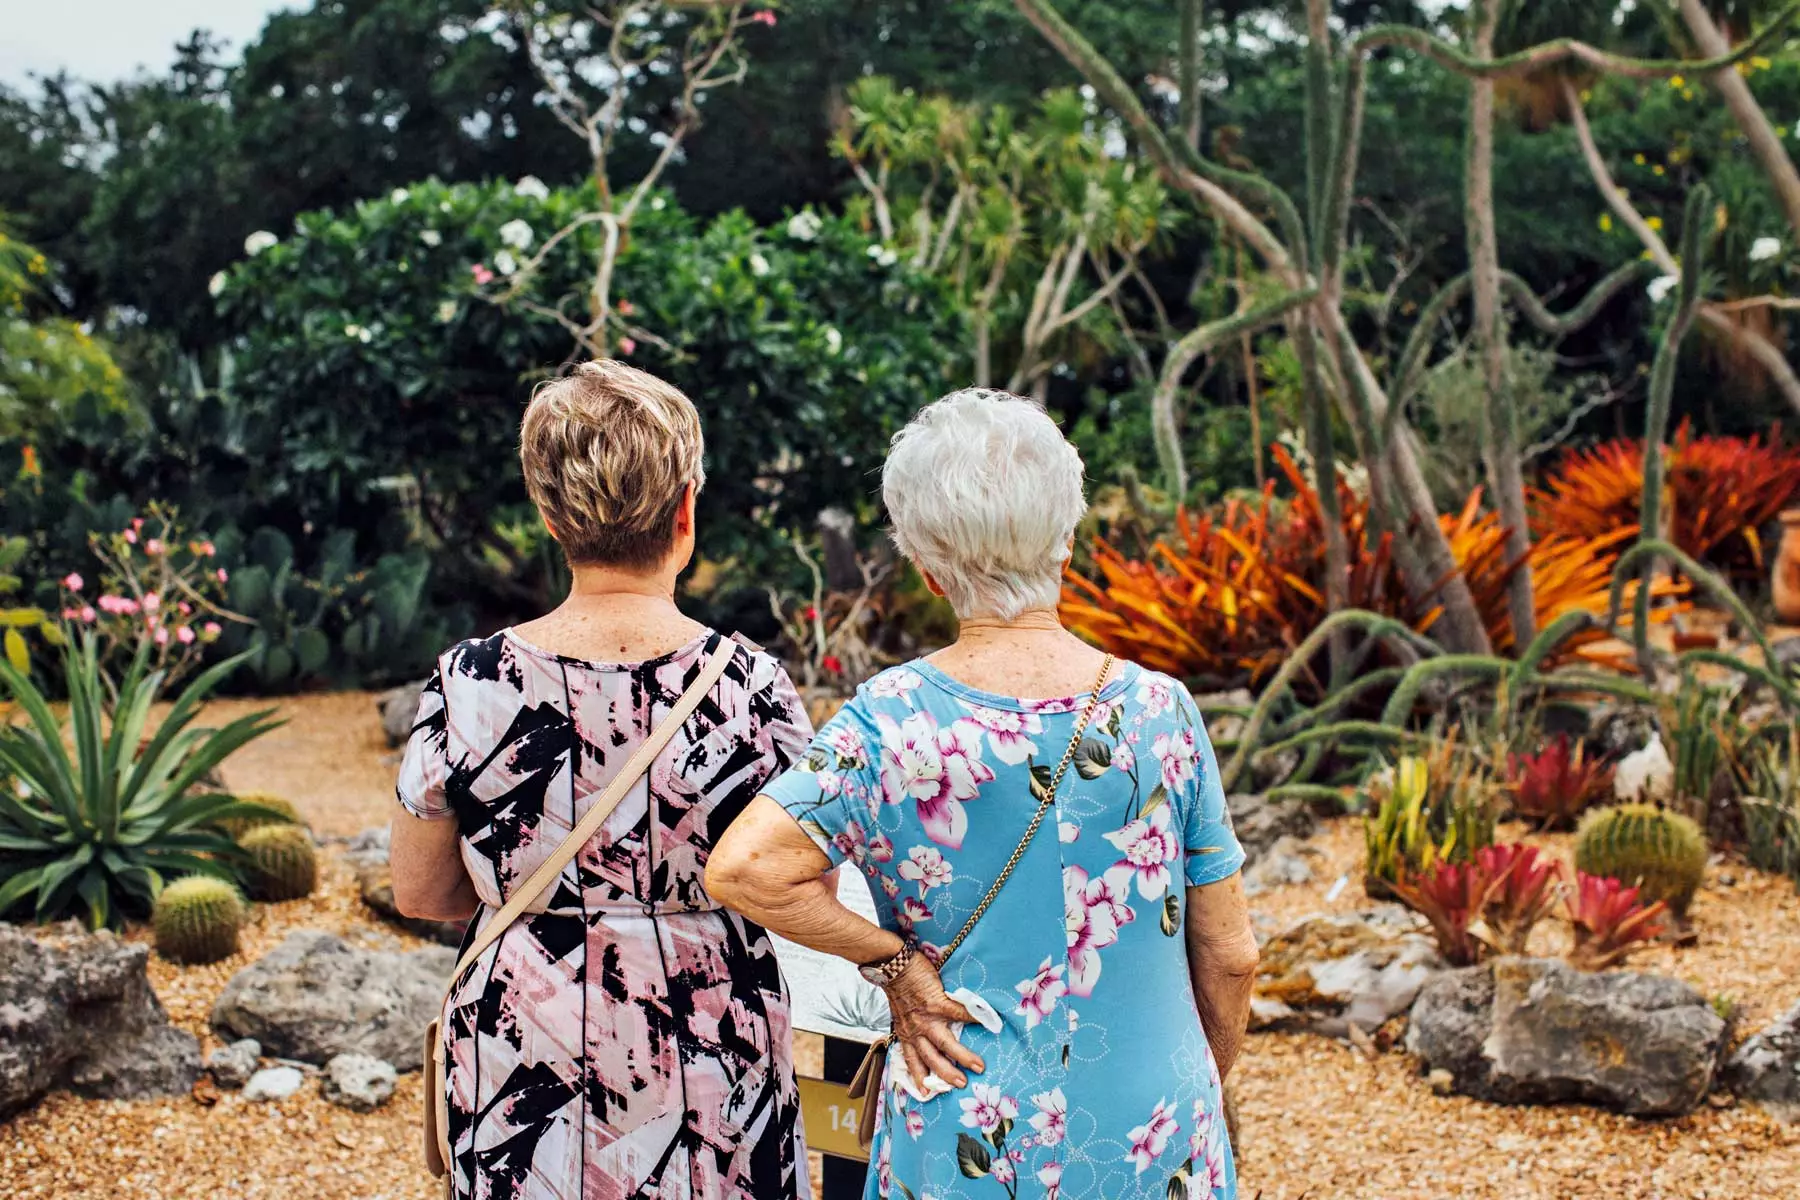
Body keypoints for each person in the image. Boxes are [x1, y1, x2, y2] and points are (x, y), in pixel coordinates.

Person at [707, 388, 1259, 1200]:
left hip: (965, 1120)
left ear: (926, 567)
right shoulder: (1159, 713)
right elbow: (1233, 956)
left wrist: (893, 965)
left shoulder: (888, 720)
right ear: (1066, 541)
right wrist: (1194, 1080)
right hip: (1153, 1122)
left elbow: (744, 869)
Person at [391, 360, 812, 1200]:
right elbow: (800, 879)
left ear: (549, 514)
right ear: (686, 510)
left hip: (524, 1044)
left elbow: (421, 893)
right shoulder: (753, 685)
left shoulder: (467, 682)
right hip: (713, 1041)